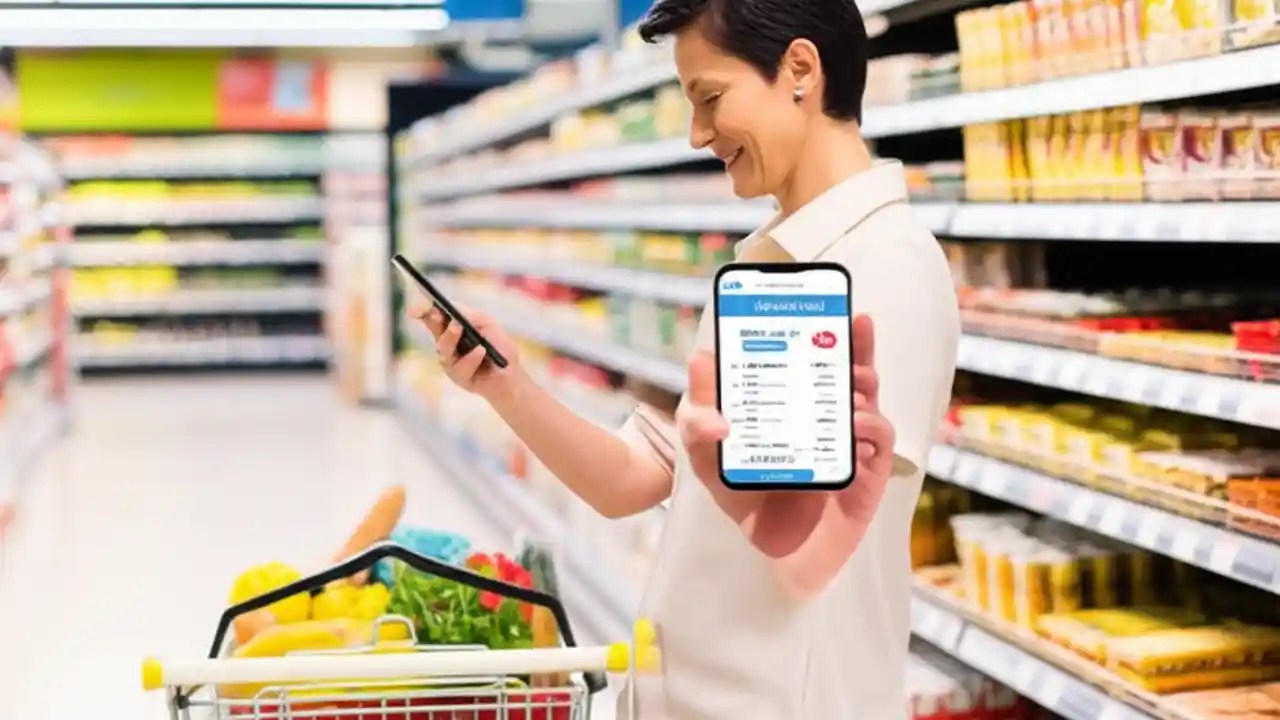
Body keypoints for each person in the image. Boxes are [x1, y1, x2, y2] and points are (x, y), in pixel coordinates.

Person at [412, 0, 960, 716]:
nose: (698, 133)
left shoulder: (881, 269)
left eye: (710, 97)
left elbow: (812, 537)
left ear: (800, 69)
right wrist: (506, 387)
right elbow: (633, 480)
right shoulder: (774, 263)